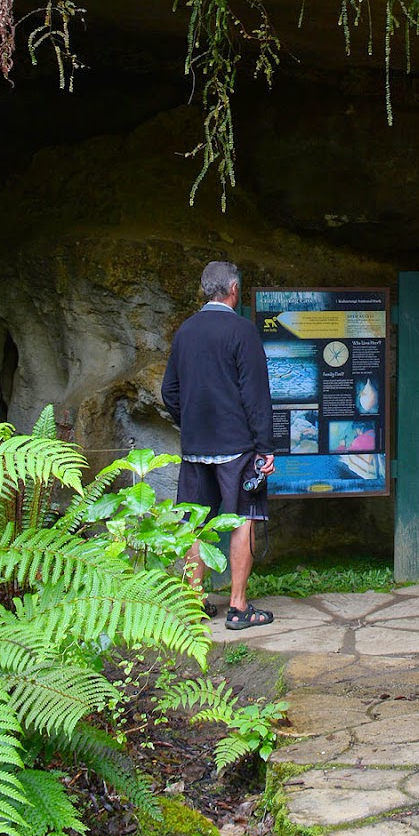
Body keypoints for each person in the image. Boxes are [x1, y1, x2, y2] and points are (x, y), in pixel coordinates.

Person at [161, 260, 276, 631]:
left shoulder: (185, 332)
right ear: (234, 290)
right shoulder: (242, 332)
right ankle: (239, 607)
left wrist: (190, 423)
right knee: (243, 519)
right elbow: (256, 395)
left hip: (195, 446)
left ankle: (196, 603)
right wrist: (265, 447)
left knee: (195, 523)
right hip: (238, 448)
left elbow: (169, 392)